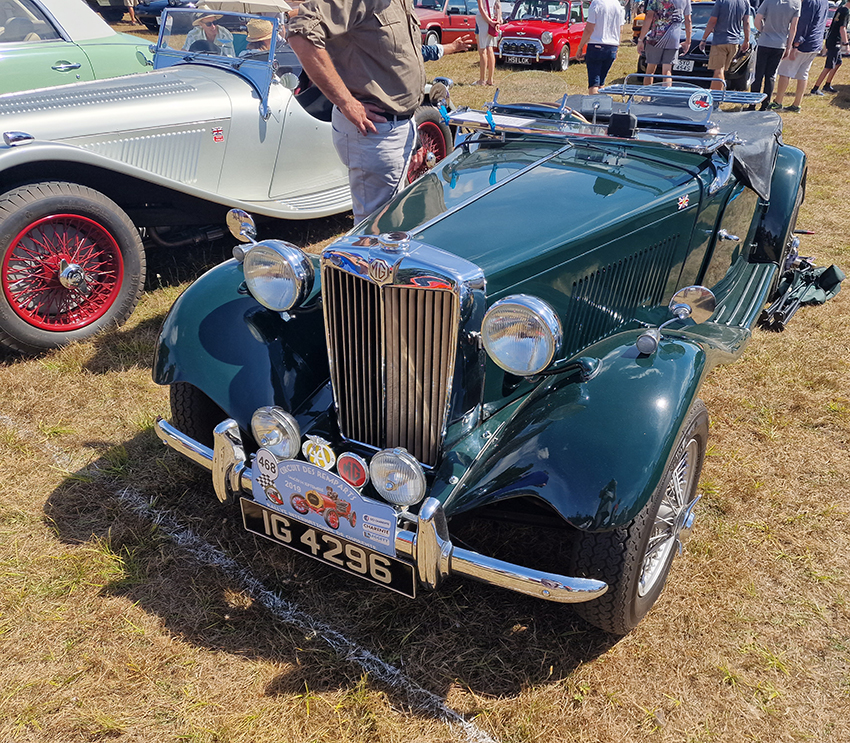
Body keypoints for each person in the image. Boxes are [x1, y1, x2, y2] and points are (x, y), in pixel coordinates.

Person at [287, 0, 424, 224]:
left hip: (399, 125)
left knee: (390, 223)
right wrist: (346, 101)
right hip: (374, 130)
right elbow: (301, 34)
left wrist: (414, 133)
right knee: (375, 230)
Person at [770, 0, 829, 110]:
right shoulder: (824, 1)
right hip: (816, 43)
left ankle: (778, 102)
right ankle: (797, 104)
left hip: (803, 44)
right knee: (803, 74)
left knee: (784, 72)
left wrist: (795, 44)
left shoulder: (809, 2)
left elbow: (803, 23)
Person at [751, 0, 800, 110]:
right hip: (780, 43)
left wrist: (763, 30)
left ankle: (752, 103)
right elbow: (793, 28)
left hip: (765, 41)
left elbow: (757, 20)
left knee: (758, 74)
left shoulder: (769, 1)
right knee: (771, 75)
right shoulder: (796, 3)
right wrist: (789, 46)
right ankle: (765, 105)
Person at [636, 0, 693, 87]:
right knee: (667, 71)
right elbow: (688, 20)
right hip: (674, 37)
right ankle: (665, 97)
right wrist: (688, 41)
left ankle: (646, 97)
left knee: (650, 70)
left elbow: (649, 17)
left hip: (656, 37)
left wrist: (640, 39)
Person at [576, 0, 626, 93]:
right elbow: (620, 30)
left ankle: (593, 105)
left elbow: (589, 28)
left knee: (594, 82)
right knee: (601, 81)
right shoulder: (618, 5)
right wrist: (617, 48)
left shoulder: (596, 3)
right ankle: (601, 103)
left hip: (596, 44)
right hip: (612, 46)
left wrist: (580, 46)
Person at [698, 0, 750, 90]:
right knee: (723, 71)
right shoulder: (745, 2)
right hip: (734, 42)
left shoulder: (721, 1)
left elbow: (712, 21)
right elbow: (747, 23)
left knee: (718, 70)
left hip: (720, 41)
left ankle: (715, 97)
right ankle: (720, 94)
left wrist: (704, 39)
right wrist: (746, 40)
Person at [810, 0, 849, 94]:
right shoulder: (846, 11)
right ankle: (815, 89)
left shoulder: (841, 8)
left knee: (838, 62)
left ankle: (827, 85)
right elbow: (842, 28)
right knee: (829, 66)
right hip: (835, 41)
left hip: (832, 39)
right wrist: (846, 44)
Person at [475, 0, 502, 86]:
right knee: (490, 49)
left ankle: (482, 80)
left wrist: (490, 22)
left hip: (483, 20)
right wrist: (497, 21)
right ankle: (490, 79)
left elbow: (481, 8)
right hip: (492, 19)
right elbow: (498, 6)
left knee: (482, 50)